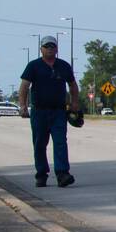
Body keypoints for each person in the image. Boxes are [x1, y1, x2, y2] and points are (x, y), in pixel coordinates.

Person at [18, 36, 79, 187]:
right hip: (39, 112)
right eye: (47, 46)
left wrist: (74, 103)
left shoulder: (63, 66)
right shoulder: (33, 66)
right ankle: (41, 174)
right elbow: (24, 86)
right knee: (39, 143)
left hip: (58, 111)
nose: (50, 49)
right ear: (41, 49)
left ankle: (62, 173)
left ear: (57, 49)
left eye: (53, 46)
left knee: (60, 142)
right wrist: (23, 106)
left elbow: (72, 85)